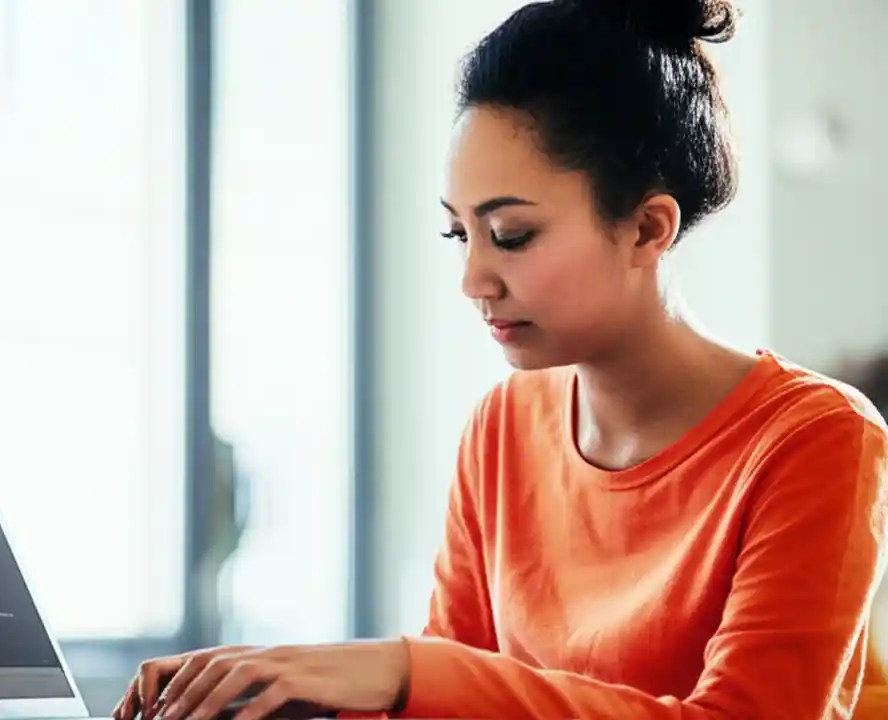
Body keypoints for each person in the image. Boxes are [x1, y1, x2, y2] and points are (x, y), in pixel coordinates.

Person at [113, 0, 888, 717]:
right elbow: (451, 701)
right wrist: (270, 692)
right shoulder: (504, 425)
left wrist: (408, 671)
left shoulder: (817, 437)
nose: (474, 281)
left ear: (649, 230)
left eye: (511, 234)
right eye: (460, 234)